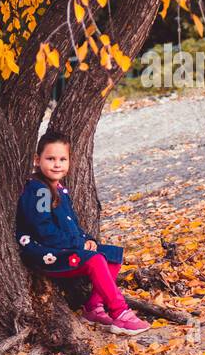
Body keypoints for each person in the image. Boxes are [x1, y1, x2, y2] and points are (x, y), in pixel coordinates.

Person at [15, 130, 150, 335]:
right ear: (37, 160)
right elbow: (44, 230)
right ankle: (120, 312)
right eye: (50, 159)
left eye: (62, 159)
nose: (57, 164)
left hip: (63, 247)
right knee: (95, 261)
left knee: (112, 256)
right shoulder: (40, 191)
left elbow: (73, 226)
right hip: (45, 253)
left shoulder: (59, 189)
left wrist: (88, 240)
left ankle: (94, 307)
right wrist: (78, 245)